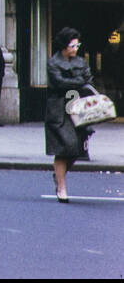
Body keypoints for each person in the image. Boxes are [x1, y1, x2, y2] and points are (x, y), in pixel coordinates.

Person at [46, 27, 95, 203]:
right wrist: (78, 82)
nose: (76, 48)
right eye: (73, 45)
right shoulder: (53, 62)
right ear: (64, 46)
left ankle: (59, 176)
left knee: (77, 149)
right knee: (64, 147)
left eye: (77, 45)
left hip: (78, 109)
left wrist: (77, 83)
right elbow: (59, 83)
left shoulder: (81, 62)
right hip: (59, 109)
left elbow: (88, 80)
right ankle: (61, 186)